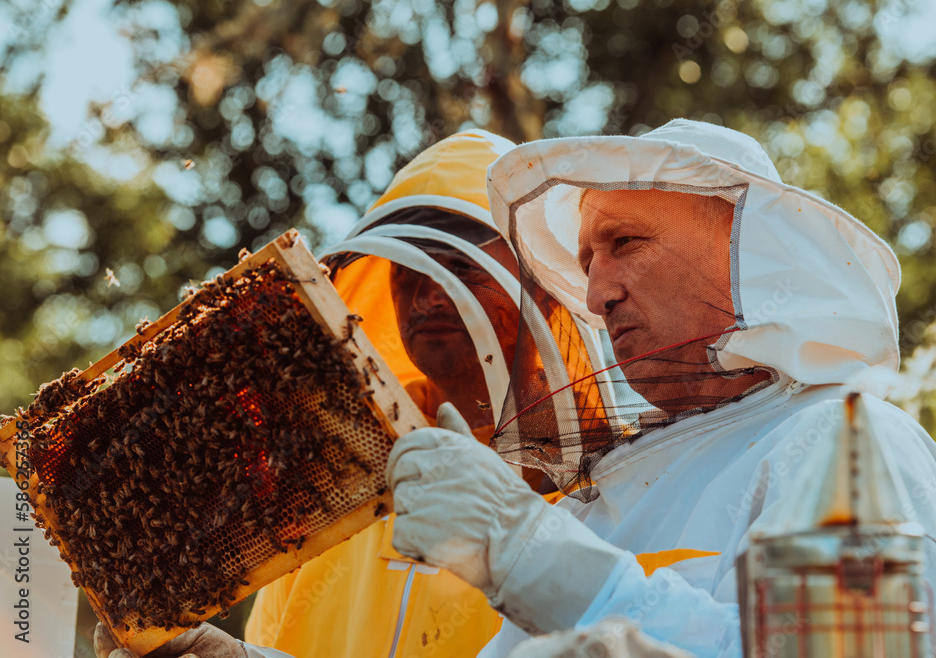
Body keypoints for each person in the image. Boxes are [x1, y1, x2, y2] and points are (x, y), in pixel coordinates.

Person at [382, 119, 936, 657]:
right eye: (588, 262)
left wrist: (533, 557)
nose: (596, 295)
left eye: (625, 243)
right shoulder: (605, 502)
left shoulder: (848, 446)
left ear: (742, 251)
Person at [95, 129, 599, 658]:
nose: (427, 297)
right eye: (406, 273)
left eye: (459, 268)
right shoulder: (330, 475)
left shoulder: (604, 481)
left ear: (543, 288)